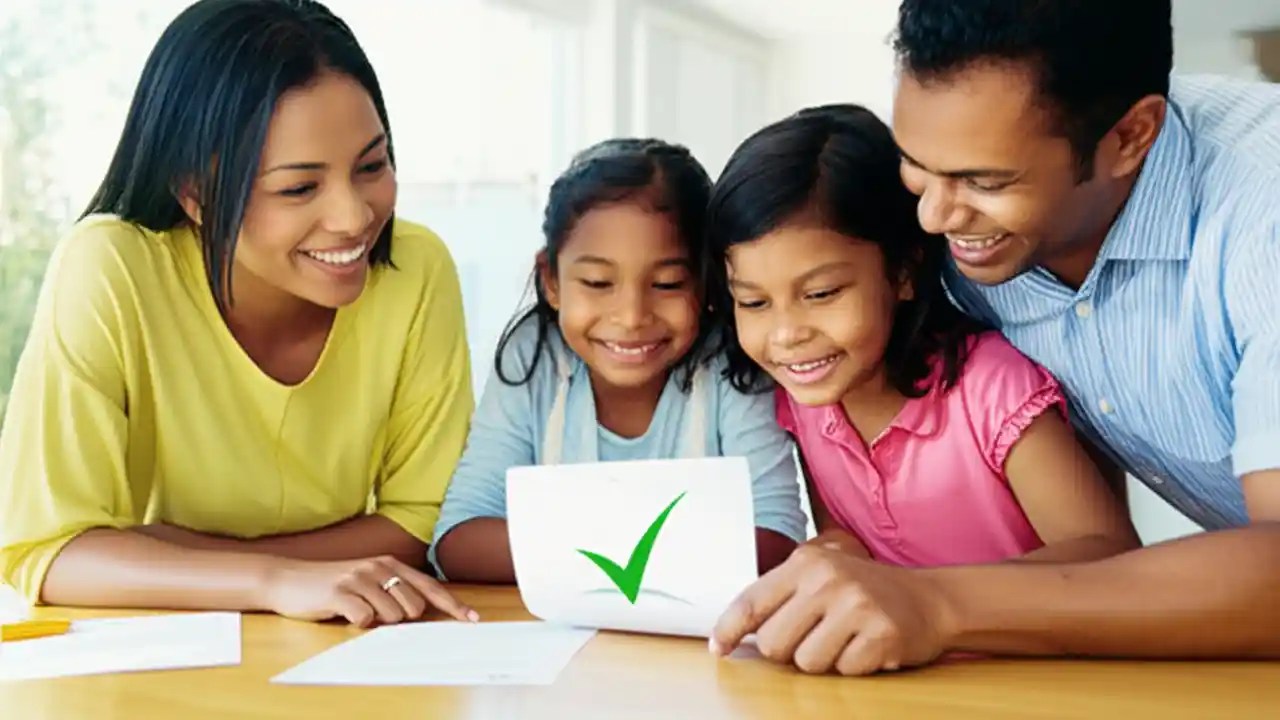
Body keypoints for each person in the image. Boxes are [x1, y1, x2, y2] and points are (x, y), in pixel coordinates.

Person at [710, 0, 1280, 674]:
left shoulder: (1259, 217)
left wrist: (936, 603)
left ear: (1130, 137)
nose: (932, 216)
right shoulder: (957, 215)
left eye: (983, 182)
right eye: (916, 164)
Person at [0, 0, 476, 628]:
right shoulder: (111, 269)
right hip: (154, 668)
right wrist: (274, 580)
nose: (354, 216)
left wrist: (172, 554)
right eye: (298, 188)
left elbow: (418, 524)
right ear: (194, 192)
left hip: (337, 643)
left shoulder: (415, 269)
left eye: (372, 166)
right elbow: (49, 551)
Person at [704, 102, 1137, 580]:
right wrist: (827, 554)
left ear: (903, 273)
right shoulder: (806, 399)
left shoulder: (993, 390)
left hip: (1043, 654)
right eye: (754, 303)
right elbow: (851, 536)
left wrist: (929, 601)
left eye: (821, 294)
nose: (787, 334)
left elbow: (1107, 554)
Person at [431, 138, 808, 583]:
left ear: (707, 284)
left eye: (667, 284)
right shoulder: (533, 357)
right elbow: (459, 540)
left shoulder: (730, 367)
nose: (631, 317)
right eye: (596, 282)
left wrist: (570, 552)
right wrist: (645, 556)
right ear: (551, 281)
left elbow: (778, 539)